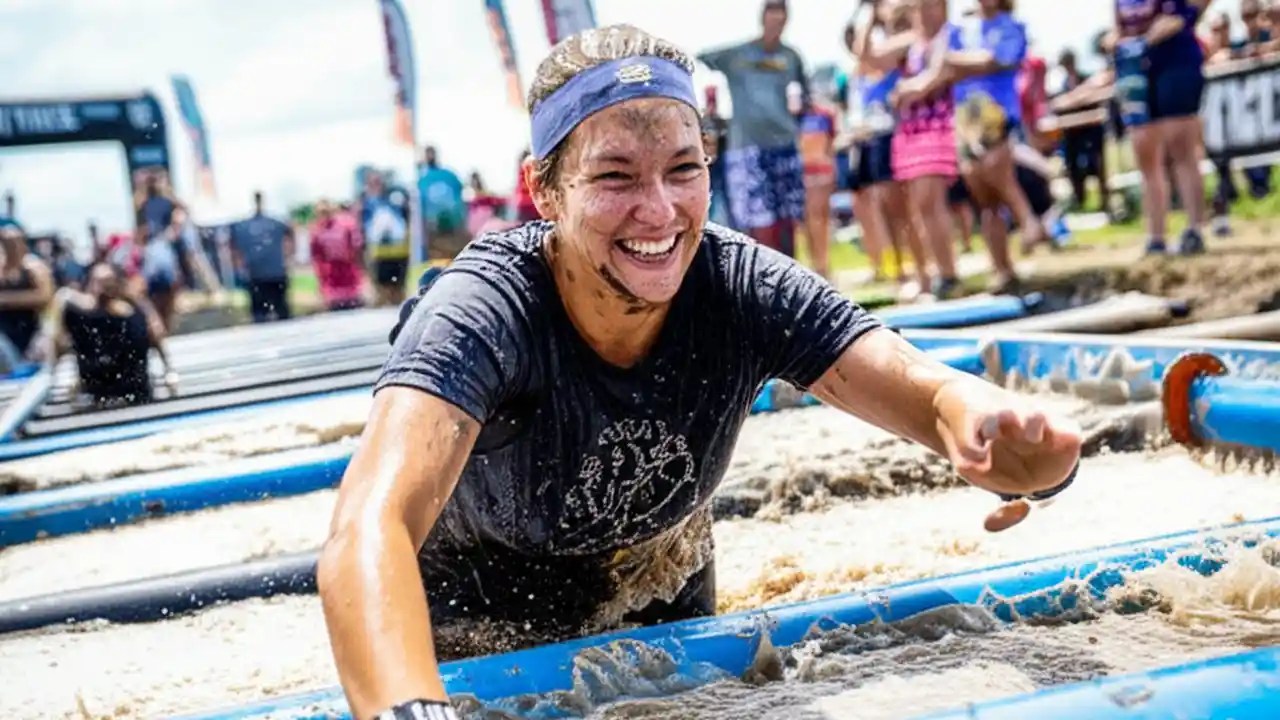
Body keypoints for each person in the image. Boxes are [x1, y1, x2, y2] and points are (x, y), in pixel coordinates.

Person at [317, 24, 1083, 720]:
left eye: (683, 170)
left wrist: (1003, 435)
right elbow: (364, 528)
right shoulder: (480, 312)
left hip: (661, 609)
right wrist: (406, 709)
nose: (659, 212)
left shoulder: (740, 286)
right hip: (478, 641)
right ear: (544, 190)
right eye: (615, 178)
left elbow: (925, 388)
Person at [698, 0, 809, 256]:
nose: (776, 19)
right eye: (771, 12)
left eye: (781, 13)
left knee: (788, 216)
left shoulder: (791, 56)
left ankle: (790, 273)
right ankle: (762, 275)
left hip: (785, 145)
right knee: (756, 218)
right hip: (747, 148)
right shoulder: (737, 54)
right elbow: (701, 56)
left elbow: (805, 97)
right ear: (763, 17)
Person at [946, 0, 1040, 292]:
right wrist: (973, 63)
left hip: (997, 112)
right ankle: (1001, 268)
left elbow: (999, 60)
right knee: (983, 196)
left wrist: (965, 63)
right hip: (966, 115)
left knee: (997, 172)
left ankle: (1030, 224)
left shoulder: (1011, 26)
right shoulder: (961, 28)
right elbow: (948, 63)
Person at [1112, 0, 1209, 255]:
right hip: (1136, 69)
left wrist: (1185, 17)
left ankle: (1194, 230)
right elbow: (1118, 25)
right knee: (1145, 154)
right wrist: (1117, 42)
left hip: (1176, 63)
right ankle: (1156, 237)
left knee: (1182, 148)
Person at [890, 0, 962, 299]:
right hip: (911, 130)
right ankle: (937, 274)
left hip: (938, 127)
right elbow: (867, 56)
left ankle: (948, 273)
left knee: (930, 202)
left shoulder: (951, 35)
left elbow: (935, 78)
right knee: (919, 207)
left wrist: (905, 91)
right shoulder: (913, 42)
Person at [47, 262, 176, 408]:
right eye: (98, 282)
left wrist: (168, 370)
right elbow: (57, 342)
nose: (103, 288)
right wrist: (53, 375)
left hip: (135, 393)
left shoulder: (133, 314)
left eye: (108, 282)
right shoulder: (78, 315)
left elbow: (157, 335)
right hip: (96, 396)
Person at [230, 191, 295, 323]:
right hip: (271, 272)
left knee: (262, 313)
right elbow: (291, 233)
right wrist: (289, 257)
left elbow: (234, 249)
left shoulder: (243, 226)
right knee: (279, 311)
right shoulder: (275, 223)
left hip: (259, 273)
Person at [0, 226, 54, 370]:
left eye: (13, 242)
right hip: (5, 331)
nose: (10, 247)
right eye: (6, 243)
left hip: (31, 329)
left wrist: (6, 300)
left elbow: (45, 296)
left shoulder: (34, 267)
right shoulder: (2, 269)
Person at [360, 171, 411, 308]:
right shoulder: (366, 204)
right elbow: (363, 229)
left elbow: (407, 221)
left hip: (399, 252)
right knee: (381, 291)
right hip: (379, 254)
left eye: (377, 181)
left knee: (398, 290)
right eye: (372, 182)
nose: (375, 185)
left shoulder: (396, 200)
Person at [310, 200, 366, 312]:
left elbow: (357, 249)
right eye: (321, 212)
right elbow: (317, 256)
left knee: (354, 308)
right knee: (335, 309)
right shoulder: (316, 230)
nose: (324, 215)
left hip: (347, 273)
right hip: (330, 275)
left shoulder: (346, 225)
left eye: (326, 211)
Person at [416, 146, 468, 260]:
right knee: (436, 256)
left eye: (431, 153)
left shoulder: (448, 175)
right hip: (432, 226)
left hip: (453, 223)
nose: (430, 156)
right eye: (427, 154)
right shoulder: (421, 178)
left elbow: (459, 194)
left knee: (455, 254)